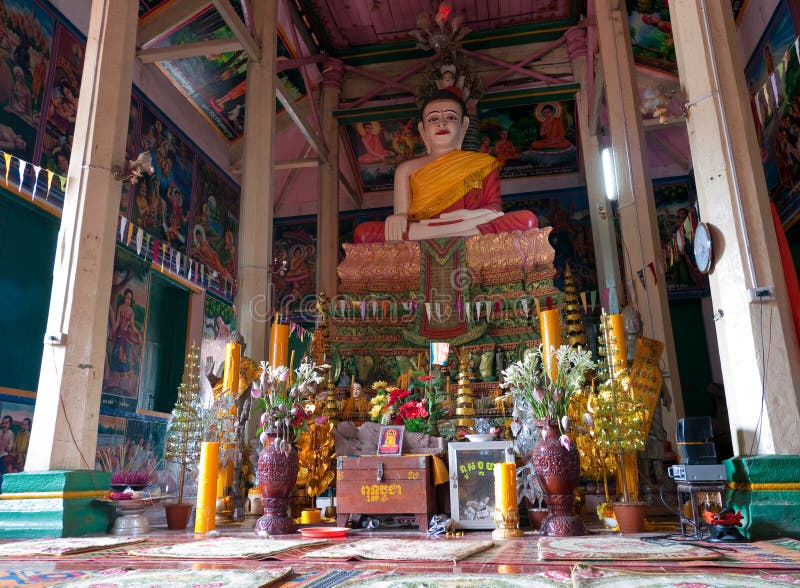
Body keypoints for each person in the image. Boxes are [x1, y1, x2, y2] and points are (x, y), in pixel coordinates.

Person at [353, 91, 537, 243]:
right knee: (364, 232)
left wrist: (465, 216)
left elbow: (494, 210)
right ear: (423, 129)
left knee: (526, 220)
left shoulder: (484, 163)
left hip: (469, 223)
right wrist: (397, 218)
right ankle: (465, 236)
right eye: (433, 119)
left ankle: (459, 234)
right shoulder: (406, 169)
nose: (442, 122)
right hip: (427, 229)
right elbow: (402, 215)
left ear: (463, 125)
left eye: (450, 117)